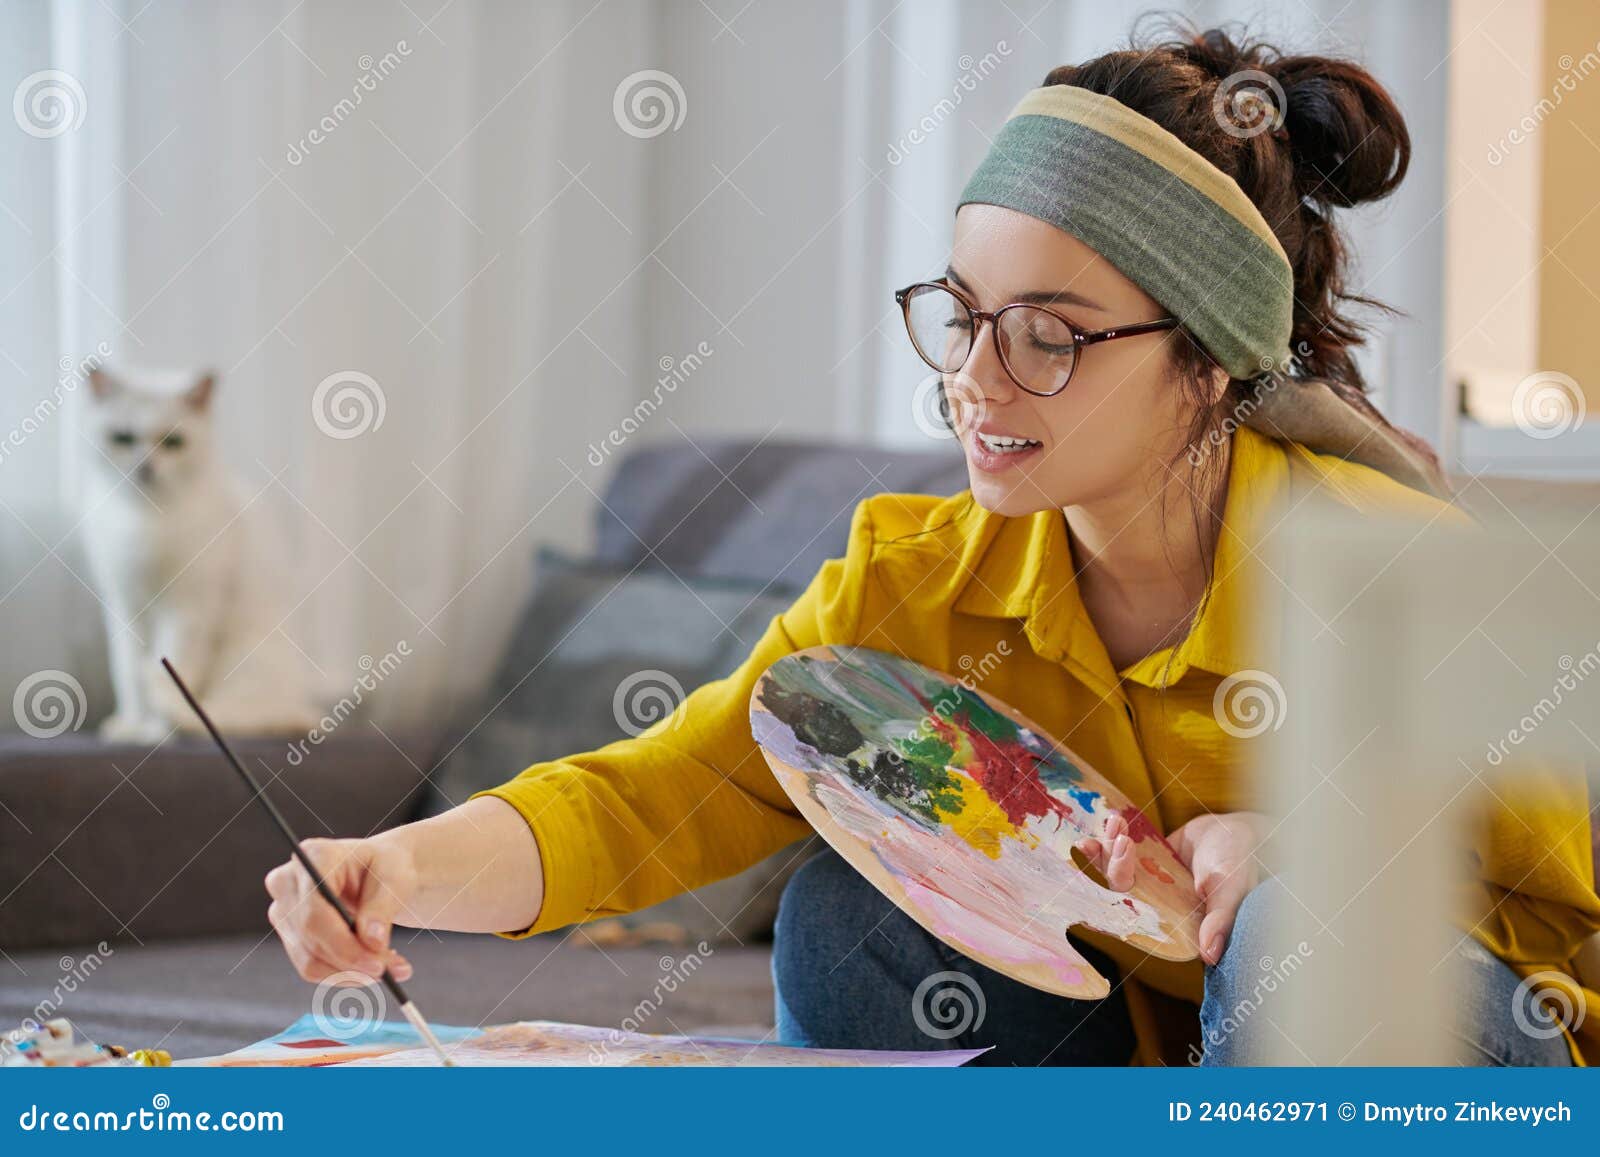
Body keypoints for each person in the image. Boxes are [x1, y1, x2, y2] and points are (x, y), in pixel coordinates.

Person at [265, 24, 1600, 1066]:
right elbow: (665, 789)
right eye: (963, 316)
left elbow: (1570, 942)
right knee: (852, 915)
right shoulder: (919, 577)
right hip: (1158, 1071)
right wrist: (402, 868)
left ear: (1206, 363)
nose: (974, 378)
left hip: (1461, 1083)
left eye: (1050, 334)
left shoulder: (1391, 580)